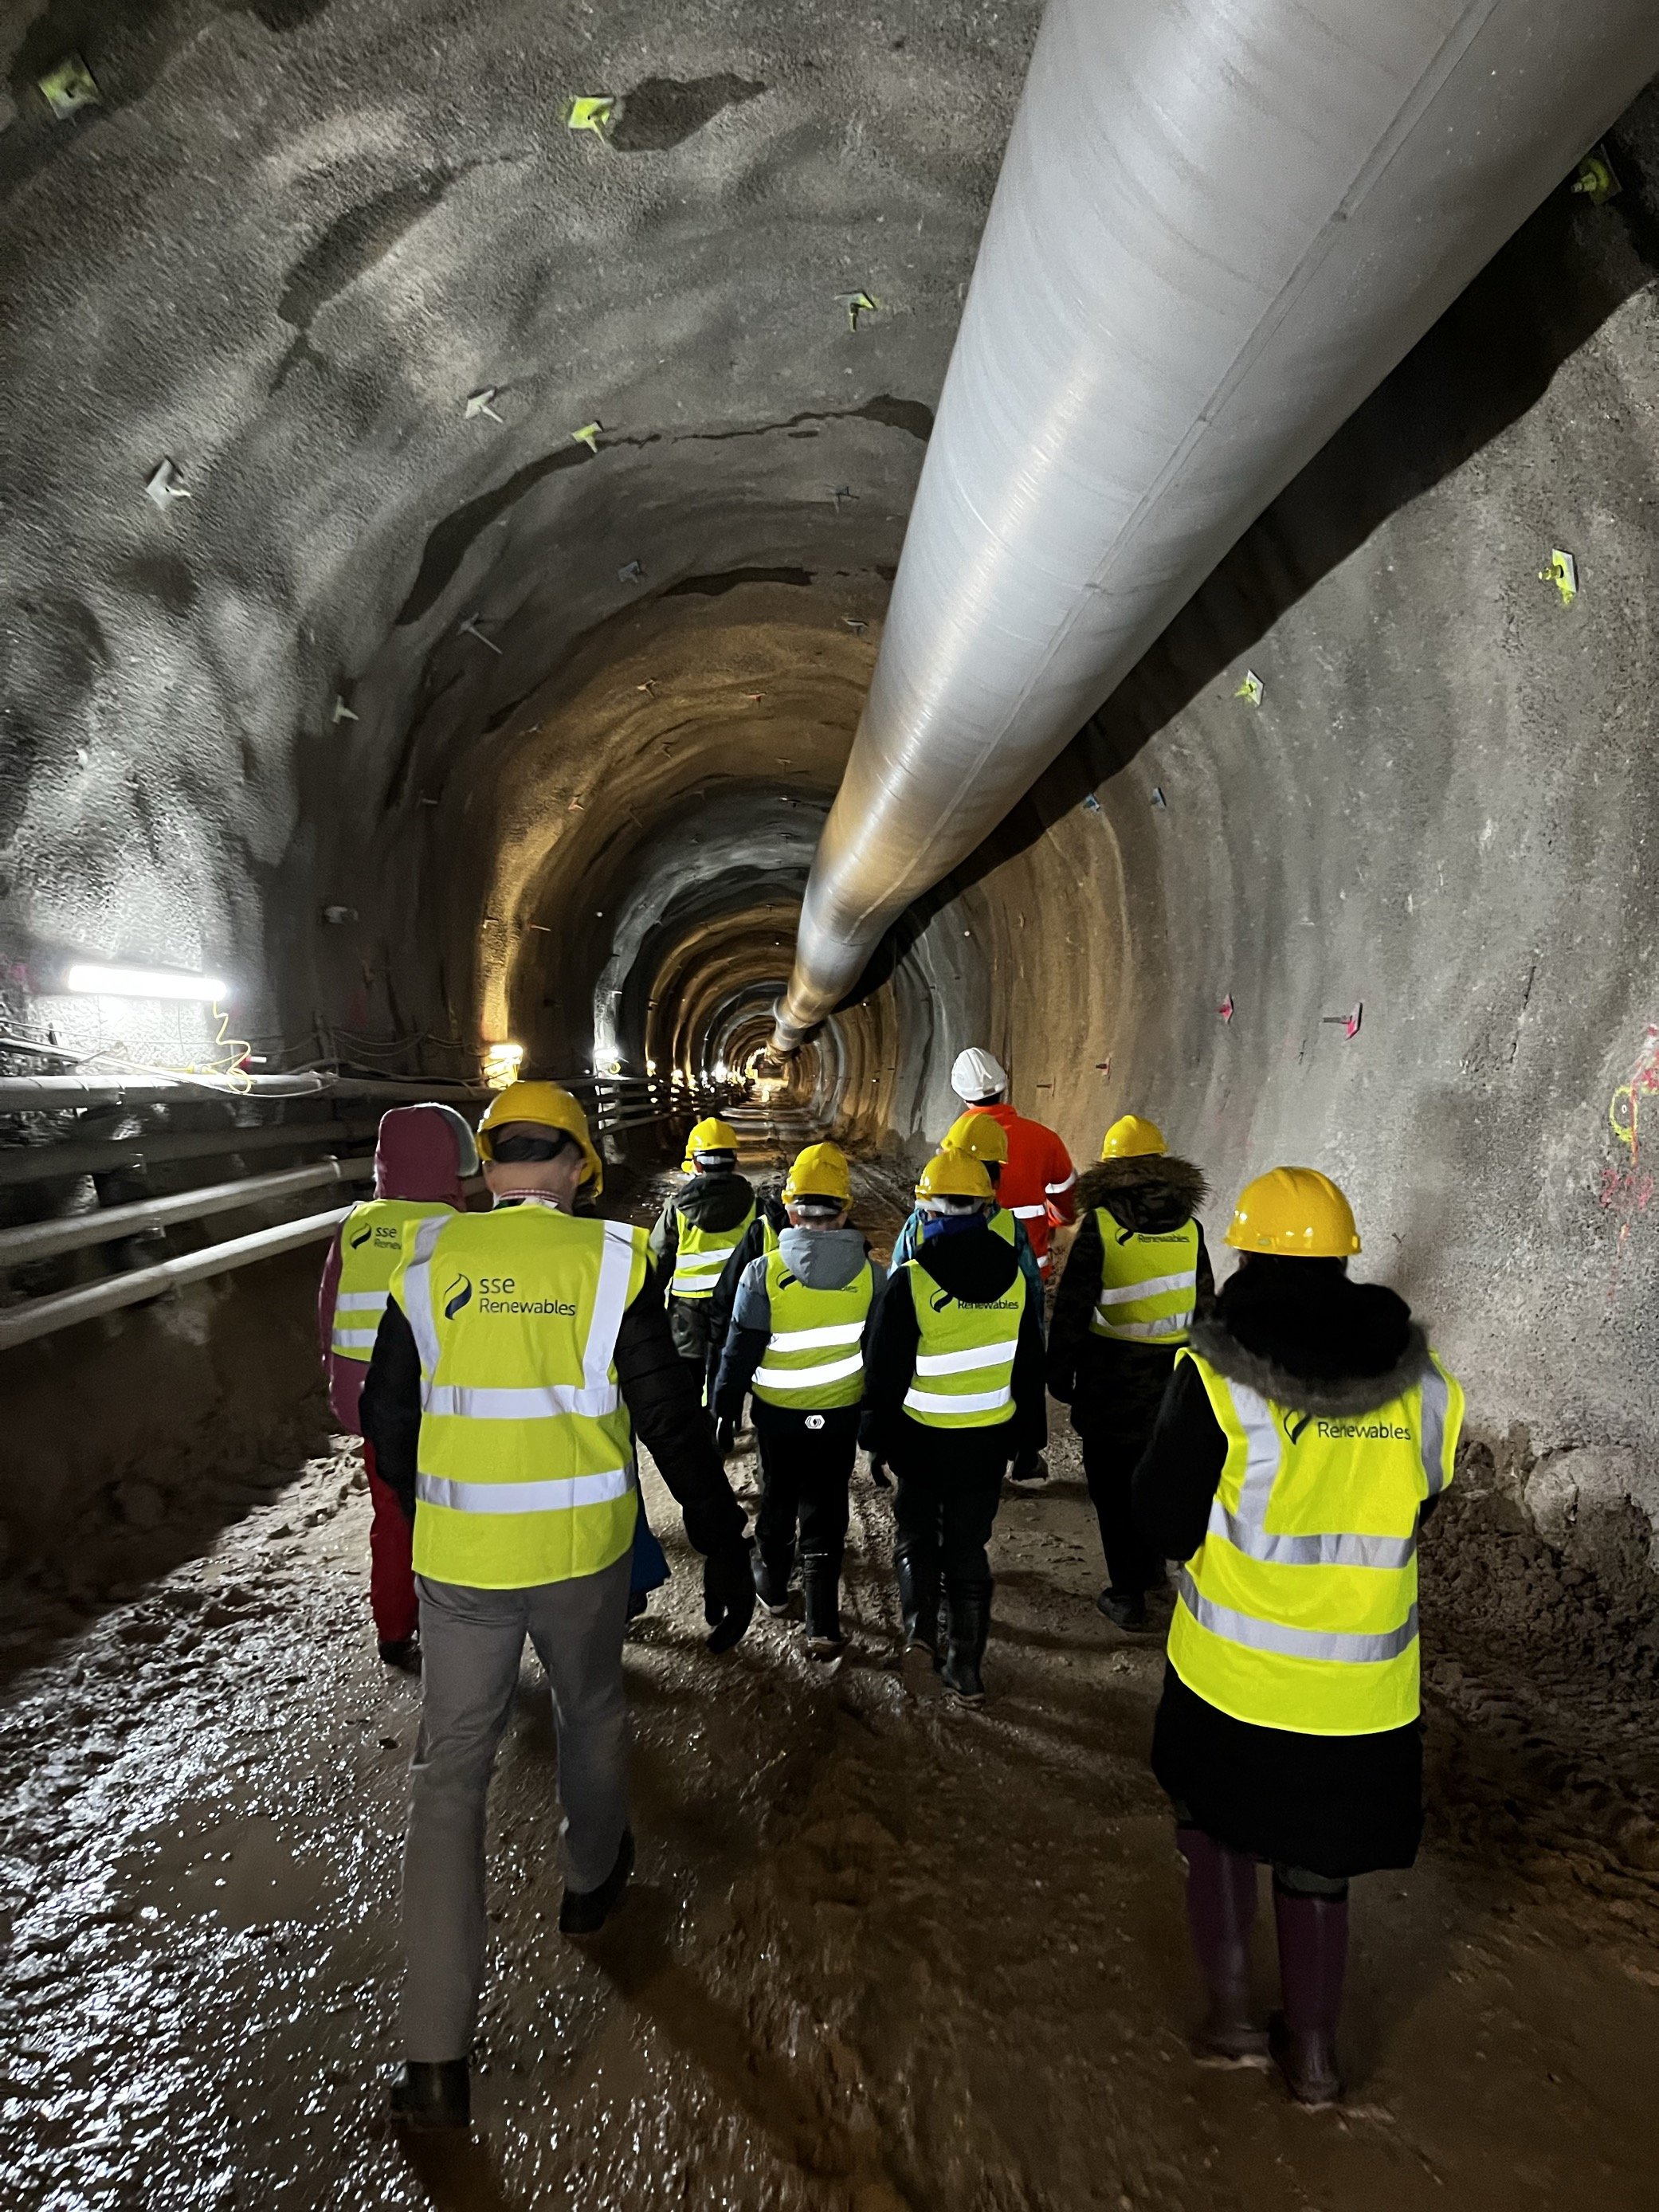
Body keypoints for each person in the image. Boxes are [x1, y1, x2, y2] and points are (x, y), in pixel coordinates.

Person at [359, 1081, 755, 2132]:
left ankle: (436, 2065)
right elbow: (671, 1419)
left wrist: (437, 1505)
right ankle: (590, 1884)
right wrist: (721, 1541)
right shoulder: (613, 1262)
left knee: (451, 1780)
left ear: (490, 1170)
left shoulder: (428, 1261)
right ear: (579, 1167)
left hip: (460, 1562)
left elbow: (385, 1415)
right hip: (579, 1558)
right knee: (591, 1710)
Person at [1131, 1167, 1463, 2109]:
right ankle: (1314, 2058)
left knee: (1219, 1828)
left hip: (1232, 1678)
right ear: (1344, 1259)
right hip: (1363, 1693)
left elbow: (1161, 1515)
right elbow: (1423, 1497)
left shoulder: (1216, 1373)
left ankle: (1235, 2020)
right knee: (1320, 1857)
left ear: (1246, 1255)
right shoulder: (1422, 1381)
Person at [862, 1149, 1046, 1703]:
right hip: (985, 1444)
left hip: (921, 1442)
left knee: (917, 1534)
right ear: (987, 1208)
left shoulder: (911, 1282)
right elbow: (1026, 1366)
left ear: (928, 1210)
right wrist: (1028, 1442)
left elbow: (885, 1372)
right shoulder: (1014, 1278)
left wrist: (875, 1438)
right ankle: (967, 1666)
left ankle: (920, 1635)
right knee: (968, 1546)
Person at [317, 1103, 477, 1669]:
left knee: (392, 1515)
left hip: (369, 1407)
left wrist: (340, 1378)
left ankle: (392, 1627)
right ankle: (451, 1621)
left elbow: (328, 1308)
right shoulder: (457, 1231)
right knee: (448, 1514)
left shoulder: (354, 1225)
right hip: (438, 1406)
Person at [712, 1143, 884, 1656]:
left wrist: (722, 1405)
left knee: (779, 1494)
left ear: (789, 1210)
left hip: (778, 1416)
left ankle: (772, 1585)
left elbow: (739, 1347)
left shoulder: (764, 1273)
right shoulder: (873, 1276)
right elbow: (878, 1355)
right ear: (845, 1210)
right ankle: (824, 1620)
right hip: (839, 1412)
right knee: (827, 1502)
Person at [1047, 1114, 1213, 1628]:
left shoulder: (1101, 1225)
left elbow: (1074, 1305)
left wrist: (1060, 1372)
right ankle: (1155, 1569)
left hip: (1112, 1382)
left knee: (1113, 1490)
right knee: (1158, 1477)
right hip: (1175, 1380)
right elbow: (1206, 1308)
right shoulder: (1190, 1227)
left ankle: (1127, 1593)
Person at [890, 1110, 1048, 1486]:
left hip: (934, 1366)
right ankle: (1024, 1456)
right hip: (998, 1356)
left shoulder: (919, 1226)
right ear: (995, 1176)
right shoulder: (1010, 1227)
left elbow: (895, 1293)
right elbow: (1033, 1296)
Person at [948, 1045, 1077, 1281]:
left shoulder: (954, 1144)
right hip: (1030, 1267)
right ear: (1003, 1085)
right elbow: (1067, 1200)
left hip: (975, 1269)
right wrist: (1054, 1221)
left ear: (962, 1094)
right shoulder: (1043, 1138)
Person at [648, 1116, 756, 1378]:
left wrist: (648, 1306)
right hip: (736, 1301)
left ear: (696, 1163)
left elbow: (659, 1257)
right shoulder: (754, 1205)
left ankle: (696, 1415)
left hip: (688, 1309)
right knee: (729, 1366)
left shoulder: (678, 1207)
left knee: (689, 1373)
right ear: (734, 1160)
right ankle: (723, 1416)